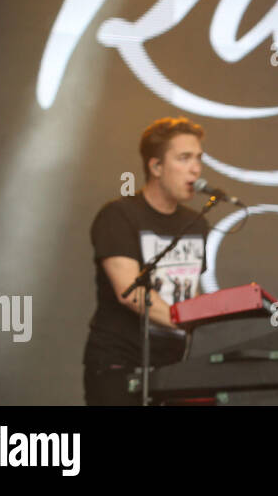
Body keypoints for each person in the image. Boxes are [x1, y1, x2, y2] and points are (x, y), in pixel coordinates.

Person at [81, 117, 210, 405]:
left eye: (198, 158)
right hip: (120, 365)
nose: (196, 169)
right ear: (155, 167)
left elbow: (191, 290)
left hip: (175, 366)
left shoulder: (197, 224)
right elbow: (130, 293)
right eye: (184, 158)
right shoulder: (119, 215)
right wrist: (188, 324)